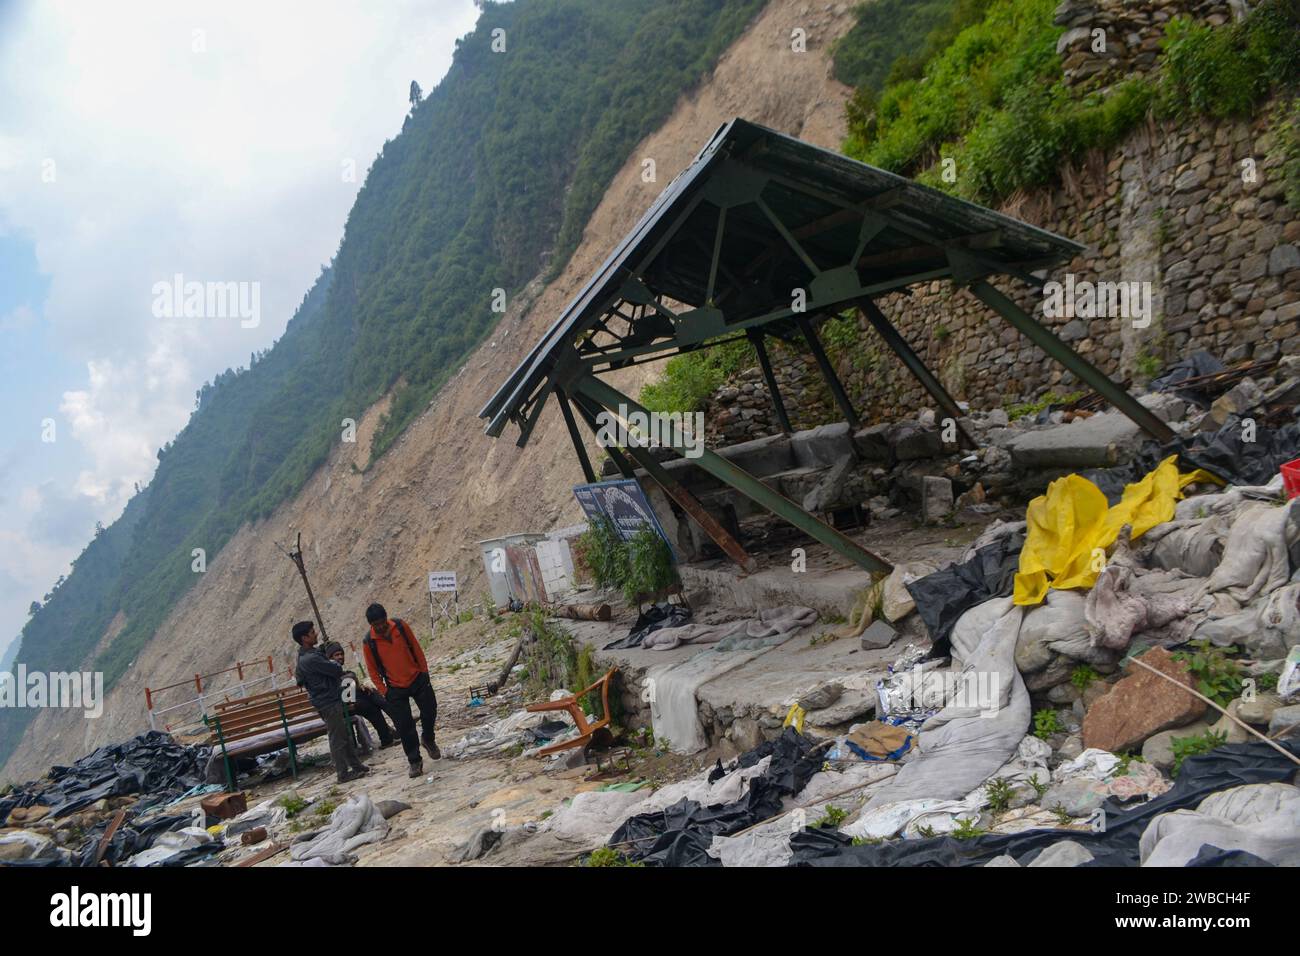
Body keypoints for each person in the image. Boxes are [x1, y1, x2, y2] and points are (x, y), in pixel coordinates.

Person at [362, 603, 440, 778]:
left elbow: (416, 648)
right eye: (376, 625)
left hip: (417, 678)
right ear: (371, 625)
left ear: (386, 618)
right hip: (394, 688)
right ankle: (414, 761)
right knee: (405, 726)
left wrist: (424, 671)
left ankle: (428, 738)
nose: (381, 627)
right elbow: (372, 671)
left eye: (382, 622)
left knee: (430, 710)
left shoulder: (400, 626)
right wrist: (384, 691)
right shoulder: (369, 642)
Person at [292, 621, 369, 783]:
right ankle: (342, 773)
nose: (316, 635)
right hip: (328, 701)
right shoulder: (310, 659)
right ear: (304, 638)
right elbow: (335, 669)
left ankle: (356, 766)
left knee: (344, 735)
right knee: (337, 738)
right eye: (312, 633)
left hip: (329, 699)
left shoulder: (306, 655)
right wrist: (332, 662)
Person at [322, 641, 397, 751]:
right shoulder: (328, 672)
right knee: (369, 704)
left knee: (371, 694)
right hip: (339, 707)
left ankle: (394, 728)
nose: (340, 657)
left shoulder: (342, 672)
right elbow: (340, 691)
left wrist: (360, 686)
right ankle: (392, 729)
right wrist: (354, 683)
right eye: (336, 655)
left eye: (341, 654)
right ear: (330, 658)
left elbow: (348, 688)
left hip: (350, 701)